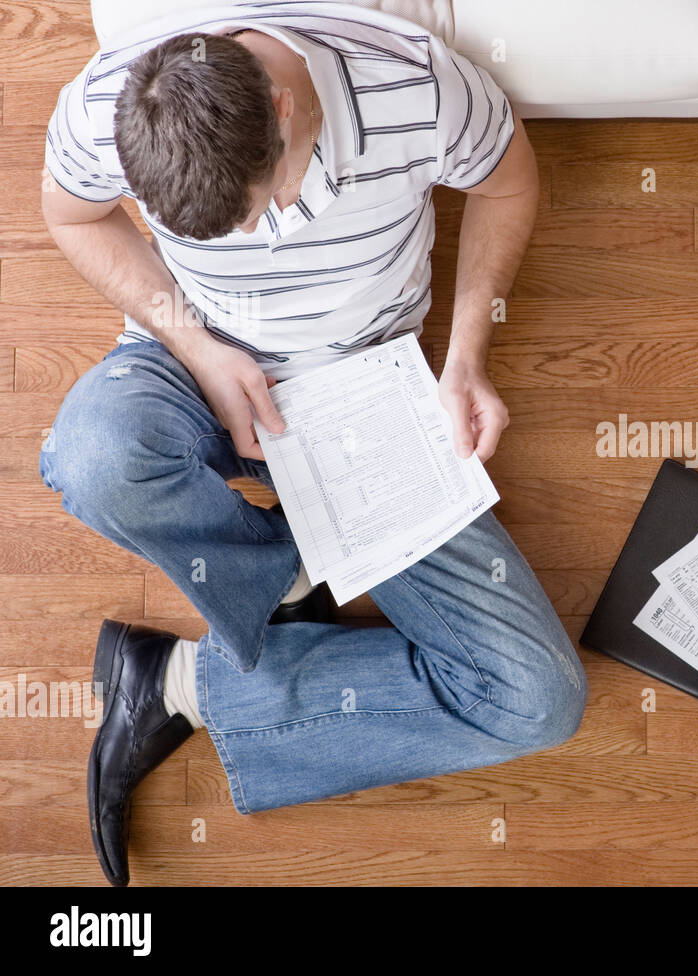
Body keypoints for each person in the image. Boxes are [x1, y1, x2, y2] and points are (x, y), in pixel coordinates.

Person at [38, 2, 587, 887]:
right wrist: (201, 348)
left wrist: (468, 357)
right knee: (95, 457)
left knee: (538, 702)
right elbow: (70, 215)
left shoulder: (415, 84)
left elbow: (509, 183)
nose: (261, 238)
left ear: (285, 108)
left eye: (268, 208)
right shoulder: (110, 100)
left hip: (364, 393)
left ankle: (176, 683)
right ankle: (293, 574)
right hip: (198, 362)